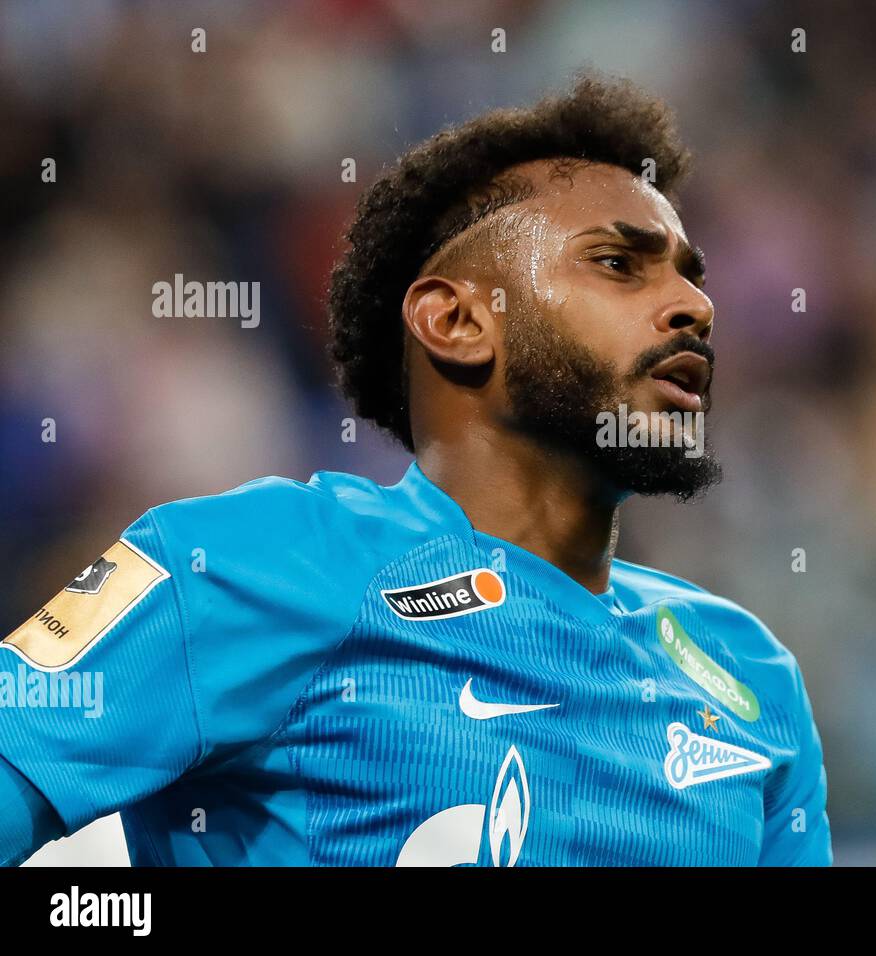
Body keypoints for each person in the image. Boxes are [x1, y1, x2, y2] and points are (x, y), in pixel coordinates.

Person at [0, 73, 831, 866]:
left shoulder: (752, 679)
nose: (695, 306)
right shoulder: (242, 569)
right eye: (618, 263)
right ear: (457, 321)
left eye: (691, 275)